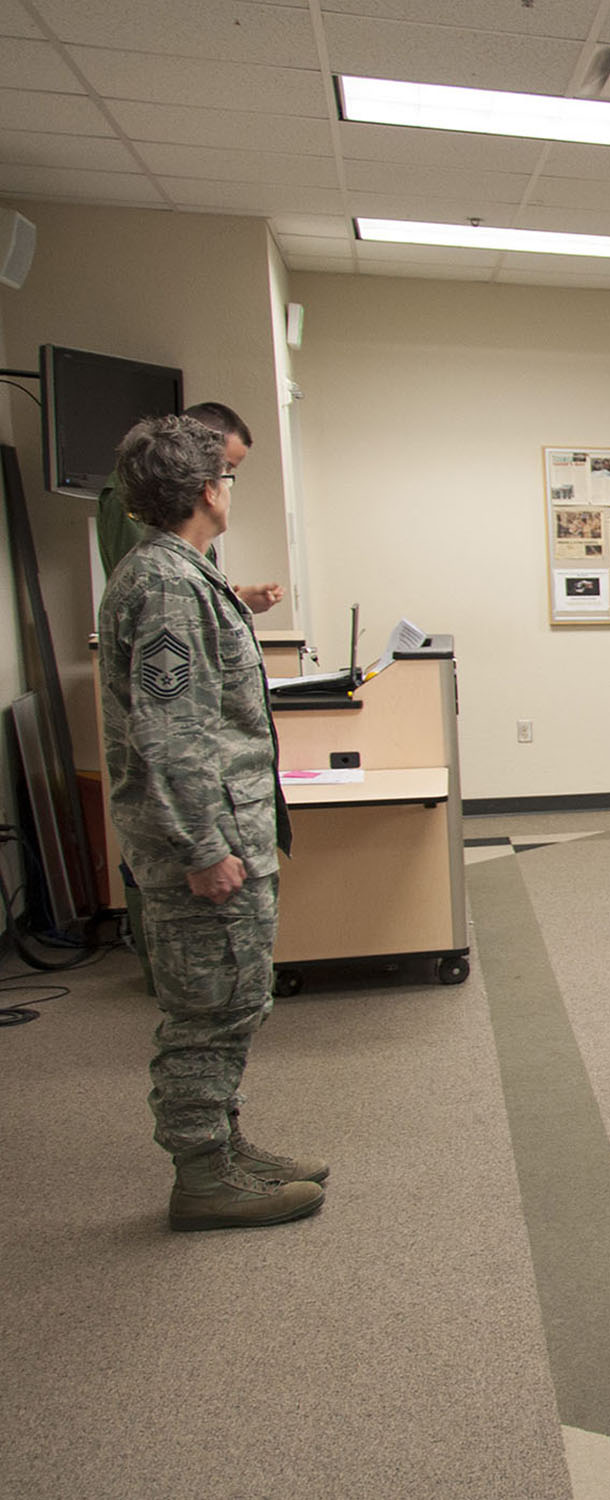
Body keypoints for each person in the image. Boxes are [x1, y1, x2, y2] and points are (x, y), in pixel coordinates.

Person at [99, 415, 324, 1232]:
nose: (229, 491)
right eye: (226, 479)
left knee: (234, 998)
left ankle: (226, 1148)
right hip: (204, 845)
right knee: (209, 1010)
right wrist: (203, 847)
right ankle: (202, 1176)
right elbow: (170, 735)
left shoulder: (181, 574)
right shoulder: (166, 584)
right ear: (206, 489)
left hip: (222, 830)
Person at [97, 401, 284, 614]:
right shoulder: (136, 496)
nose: (222, 481)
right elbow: (158, 598)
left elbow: (189, 598)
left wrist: (236, 600)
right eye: (223, 468)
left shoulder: (181, 530)